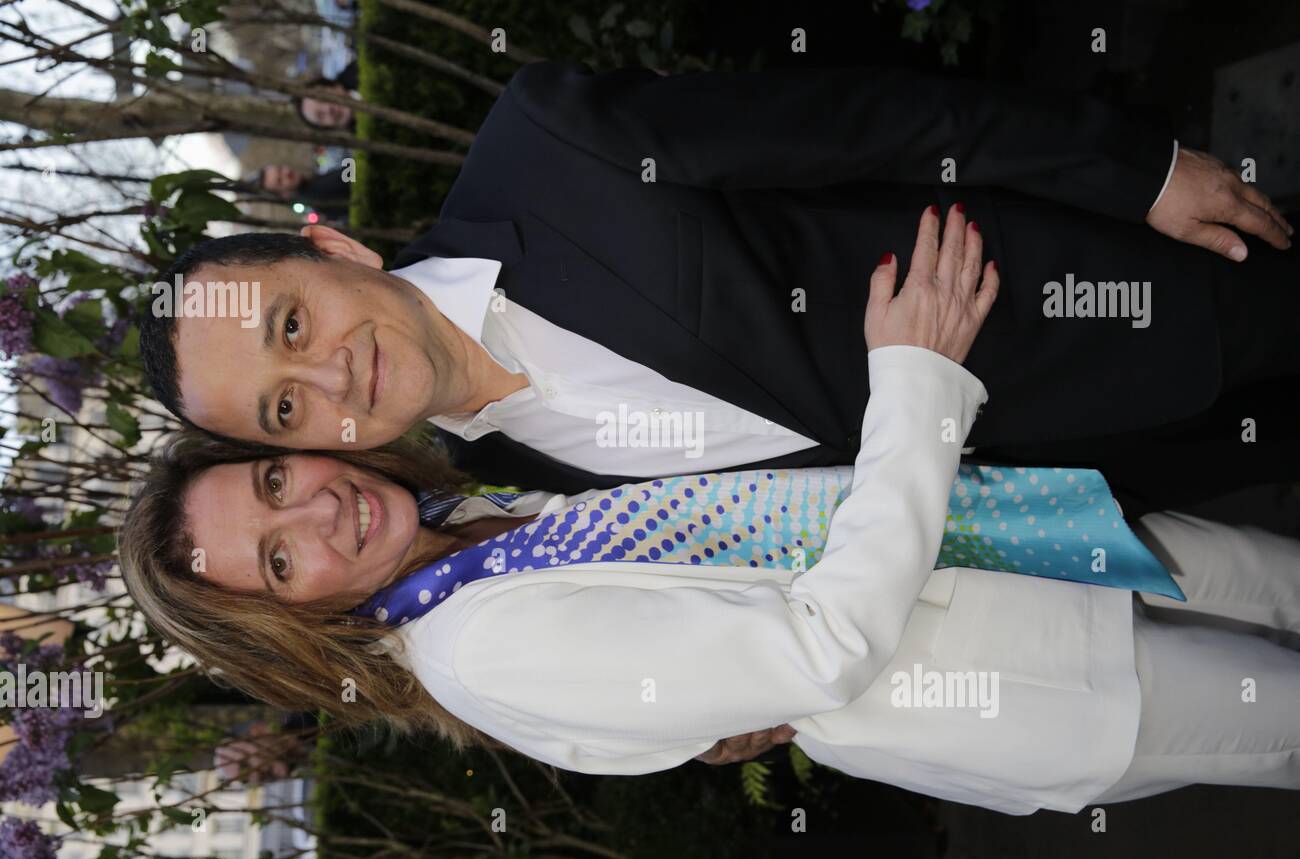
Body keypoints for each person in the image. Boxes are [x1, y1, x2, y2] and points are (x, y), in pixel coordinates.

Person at [121, 211, 1300, 815]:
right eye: (280, 561)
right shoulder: (478, 645)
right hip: (1038, 678)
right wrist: (915, 384)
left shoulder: (482, 513)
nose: (317, 511)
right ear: (294, 623)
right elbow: (812, 652)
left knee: (1280, 574)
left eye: (275, 477)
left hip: (1029, 538)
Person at [138, 62, 1300, 518]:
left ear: (332, 251)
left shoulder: (550, 150)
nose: (326, 373)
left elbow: (881, 116)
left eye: (292, 324)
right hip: (1115, 494)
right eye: (284, 407)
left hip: (1117, 295)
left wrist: (1131, 171)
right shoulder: (521, 499)